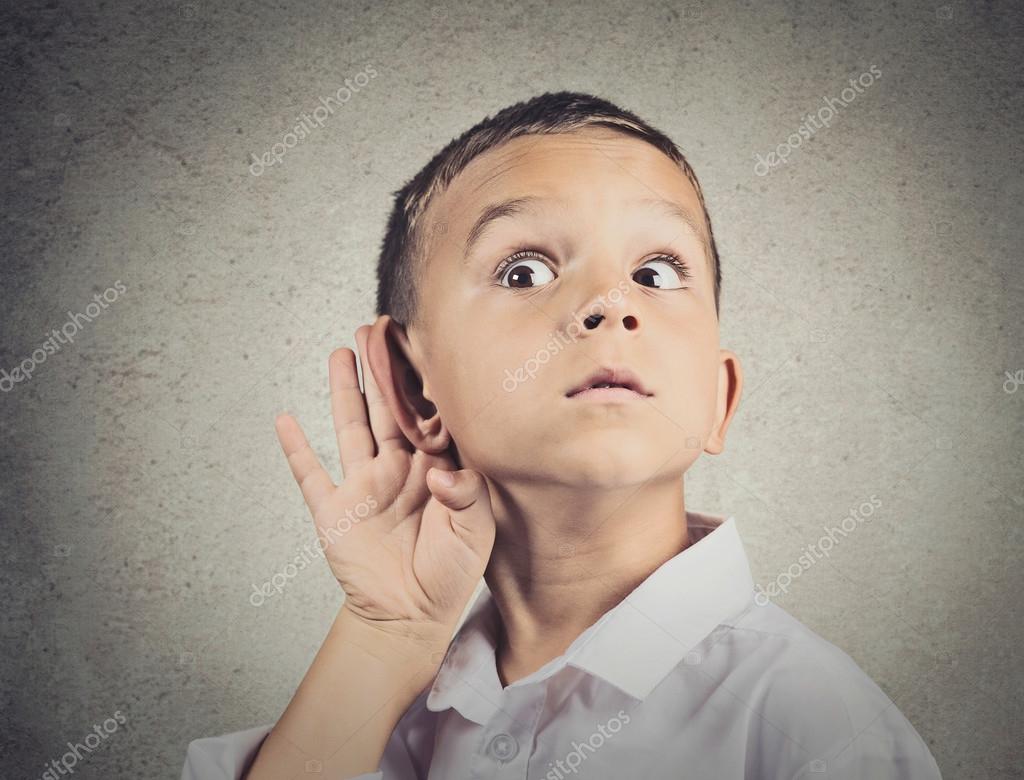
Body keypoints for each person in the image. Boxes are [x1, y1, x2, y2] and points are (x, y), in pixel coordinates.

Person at [181, 92, 943, 779]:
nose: (611, 306)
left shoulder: (814, 724)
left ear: (718, 396)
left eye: (657, 272)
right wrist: (386, 636)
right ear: (416, 387)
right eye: (524, 271)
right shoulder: (371, 720)